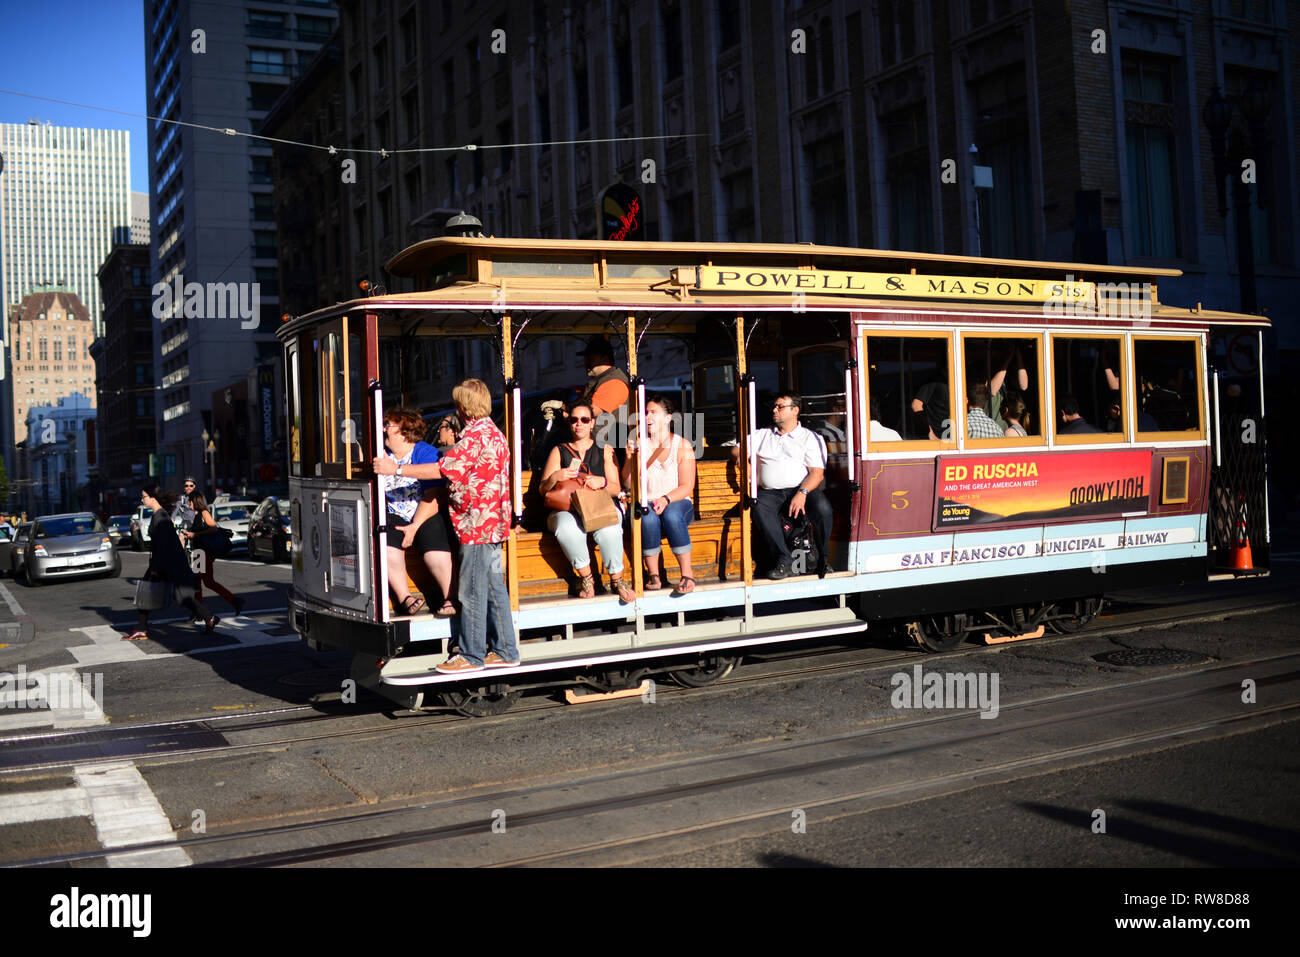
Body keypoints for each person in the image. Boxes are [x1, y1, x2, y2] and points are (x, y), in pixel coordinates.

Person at [374, 380, 518, 673]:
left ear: (463, 406)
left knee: (472, 592)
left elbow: (442, 470)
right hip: (490, 523)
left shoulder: (476, 437)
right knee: (492, 588)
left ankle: (472, 655)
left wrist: (397, 469)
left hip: (476, 525)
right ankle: (505, 650)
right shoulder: (493, 432)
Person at [540, 401, 634, 602]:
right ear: (569, 423)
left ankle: (617, 580)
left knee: (610, 527)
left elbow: (617, 489)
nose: (579, 424)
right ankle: (587, 579)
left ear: (592, 423)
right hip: (568, 508)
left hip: (598, 505)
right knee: (566, 527)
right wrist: (556, 476)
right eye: (574, 420)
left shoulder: (605, 449)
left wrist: (602, 481)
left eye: (584, 419)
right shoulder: (559, 451)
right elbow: (543, 490)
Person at [735, 392, 834, 579]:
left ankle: (823, 560)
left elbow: (817, 473)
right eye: (774, 406)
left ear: (795, 410)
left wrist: (802, 493)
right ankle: (784, 560)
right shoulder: (762, 435)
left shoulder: (810, 437)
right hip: (770, 492)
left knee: (823, 509)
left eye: (780, 407)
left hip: (802, 488)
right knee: (759, 508)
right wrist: (743, 461)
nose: (775, 410)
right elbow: (736, 449)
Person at [378, 407, 455, 617]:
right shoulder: (384, 455)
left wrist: (414, 526)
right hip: (394, 513)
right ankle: (406, 598)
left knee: (434, 548)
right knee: (385, 543)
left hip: (425, 511)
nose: (384, 430)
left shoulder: (424, 452)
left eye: (389, 426)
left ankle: (450, 596)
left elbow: (434, 492)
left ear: (404, 432)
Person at [623, 393, 697, 596]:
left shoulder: (683, 445)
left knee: (672, 514)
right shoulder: (639, 444)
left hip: (677, 501)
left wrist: (665, 500)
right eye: (646, 412)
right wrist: (630, 460)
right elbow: (628, 483)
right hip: (648, 502)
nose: (647, 417)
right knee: (646, 516)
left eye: (653, 412)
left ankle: (687, 573)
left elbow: (687, 485)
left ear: (668, 418)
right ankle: (654, 574)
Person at [123, 485, 217, 641]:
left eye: (144, 497)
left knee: (155, 594)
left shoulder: (161, 517)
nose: (142, 499)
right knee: (179, 597)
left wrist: (155, 568)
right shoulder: (159, 515)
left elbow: (163, 545)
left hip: (167, 564)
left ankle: (141, 628)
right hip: (167, 563)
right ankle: (209, 618)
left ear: (153, 499)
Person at [182, 491, 245, 616]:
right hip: (198, 552)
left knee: (207, 582)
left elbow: (214, 528)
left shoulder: (204, 513)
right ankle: (199, 611)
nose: (188, 503)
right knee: (197, 582)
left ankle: (234, 601)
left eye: (190, 501)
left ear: (194, 501)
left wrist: (195, 534)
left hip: (204, 553)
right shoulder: (194, 515)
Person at [578, 335, 630, 418]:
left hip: (610, 431)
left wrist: (567, 411)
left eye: (591, 359)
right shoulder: (601, 380)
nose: (586, 363)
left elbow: (591, 412)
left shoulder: (614, 383)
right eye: (585, 359)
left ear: (605, 359)